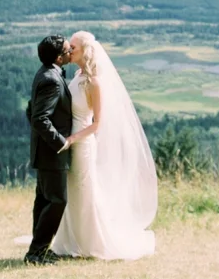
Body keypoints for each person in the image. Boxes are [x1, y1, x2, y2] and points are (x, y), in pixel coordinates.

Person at [50, 31, 157, 260]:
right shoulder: (76, 76)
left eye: (74, 48)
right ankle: (70, 240)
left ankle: (93, 242)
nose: (69, 51)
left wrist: (72, 139)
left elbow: (97, 123)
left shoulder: (93, 82)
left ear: (85, 51)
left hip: (83, 145)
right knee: (73, 192)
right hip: (70, 143)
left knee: (86, 192)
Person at [24, 34, 73, 265]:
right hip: (52, 153)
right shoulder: (51, 79)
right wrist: (60, 142)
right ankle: (36, 252)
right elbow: (39, 118)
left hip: (43, 151)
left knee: (44, 200)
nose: (70, 51)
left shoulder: (44, 73)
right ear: (58, 57)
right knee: (57, 201)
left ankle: (39, 250)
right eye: (67, 50)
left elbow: (30, 110)